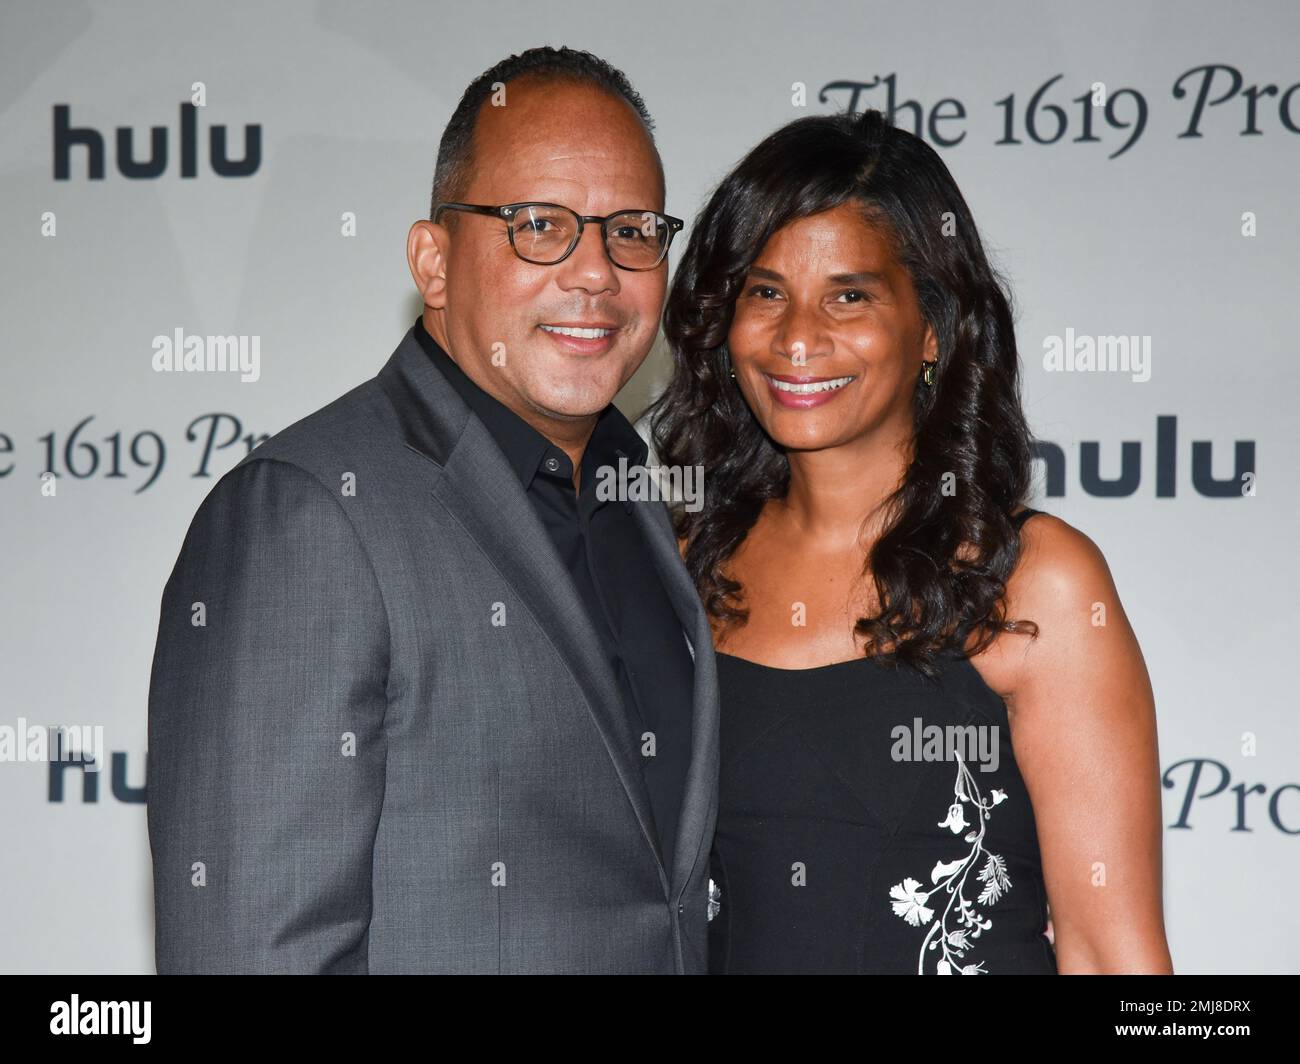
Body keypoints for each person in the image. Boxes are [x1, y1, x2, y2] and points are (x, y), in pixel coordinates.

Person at [147, 46, 718, 974]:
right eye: (540, 225)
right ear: (435, 260)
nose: (596, 273)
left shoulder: (641, 502)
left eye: (634, 231)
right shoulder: (309, 513)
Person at [649, 109, 1173, 974]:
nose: (798, 338)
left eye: (850, 295)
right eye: (766, 291)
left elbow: (1113, 953)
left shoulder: (1033, 582)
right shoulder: (674, 566)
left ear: (934, 327)